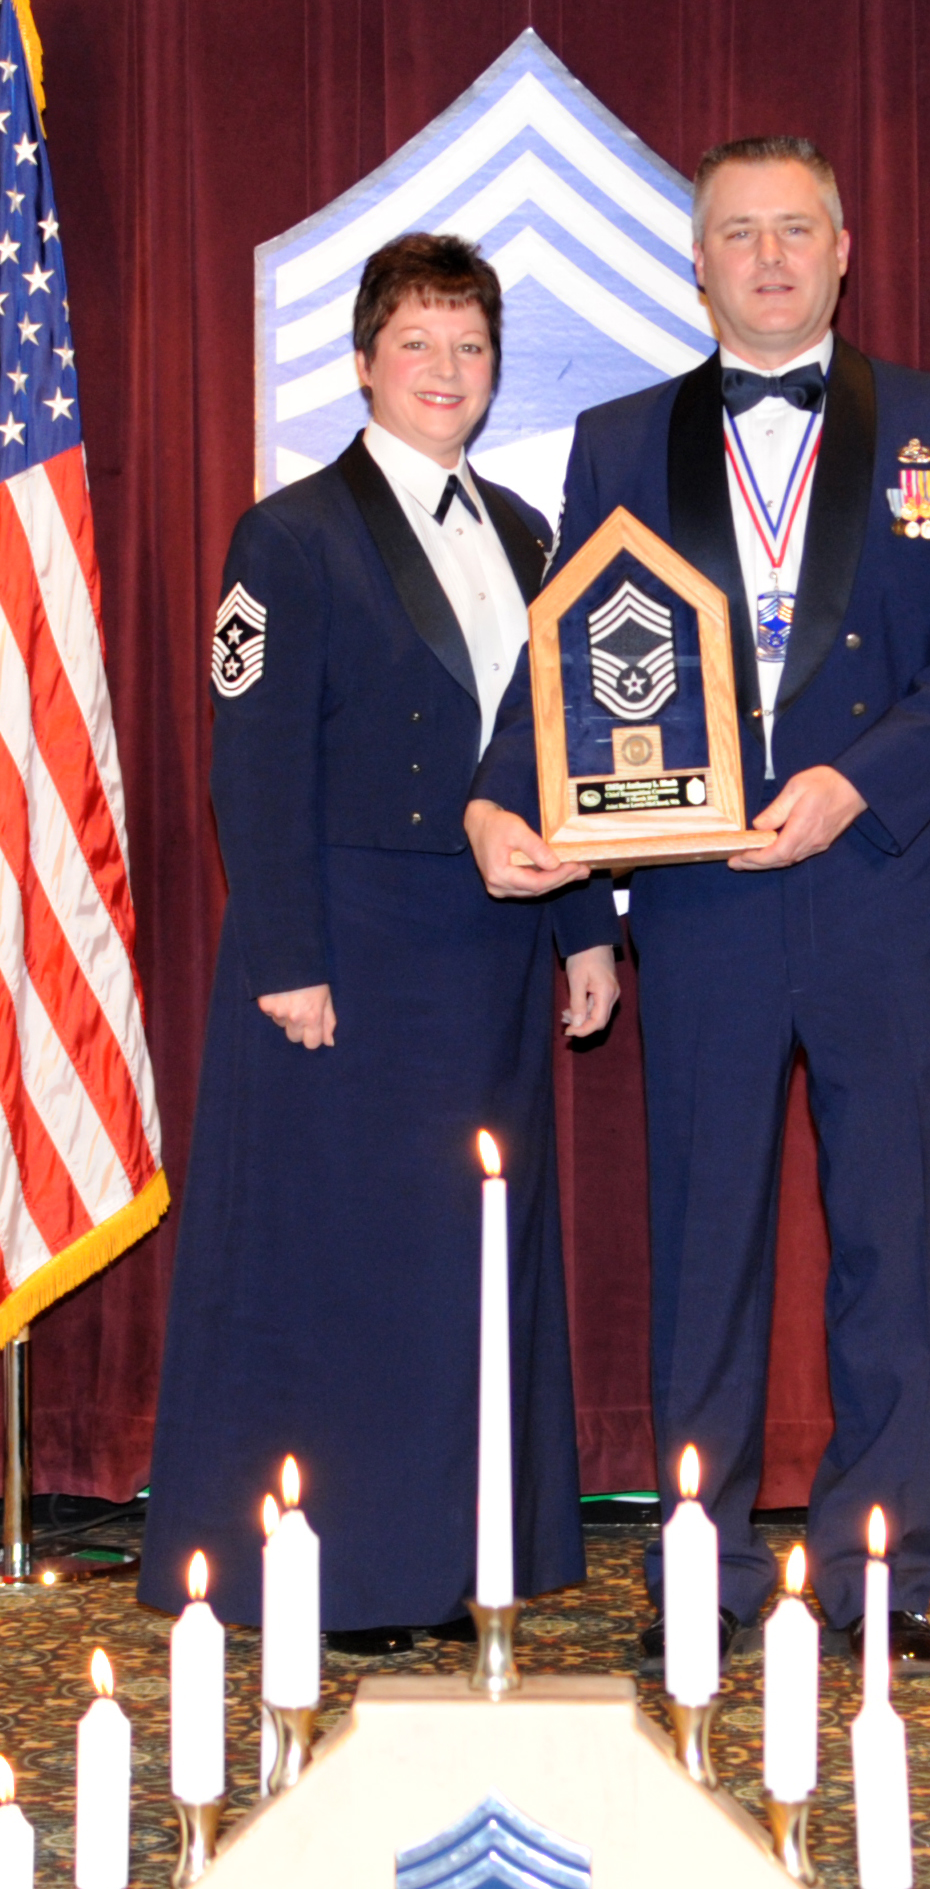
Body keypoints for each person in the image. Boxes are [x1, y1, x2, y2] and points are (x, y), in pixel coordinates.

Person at [467, 137, 930, 1671]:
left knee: (889, 1236)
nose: (771, 257)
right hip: (700, 906)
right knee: (703, 1243)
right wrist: (528, 837)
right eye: (740, 234)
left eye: (797, 230)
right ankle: (695, 1572)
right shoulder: (614, 439)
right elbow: (564, 658)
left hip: (876, 887)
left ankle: (881, 1575)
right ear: (697, 262)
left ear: (846, 248)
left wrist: (863, 781)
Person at [140, 234, 619, 1649]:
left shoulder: (531, 534)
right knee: (341, 1260)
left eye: (469, 347)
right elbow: (253, 762)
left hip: (491, 954)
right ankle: (336, 1577)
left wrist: (587, 930)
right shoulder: (287, 535)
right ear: (363, 362)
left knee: (463, 1257)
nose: (445, 371)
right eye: (417, 344)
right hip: (342, 951)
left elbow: (560, 749)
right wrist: (287, 956)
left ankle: (458, 1555)